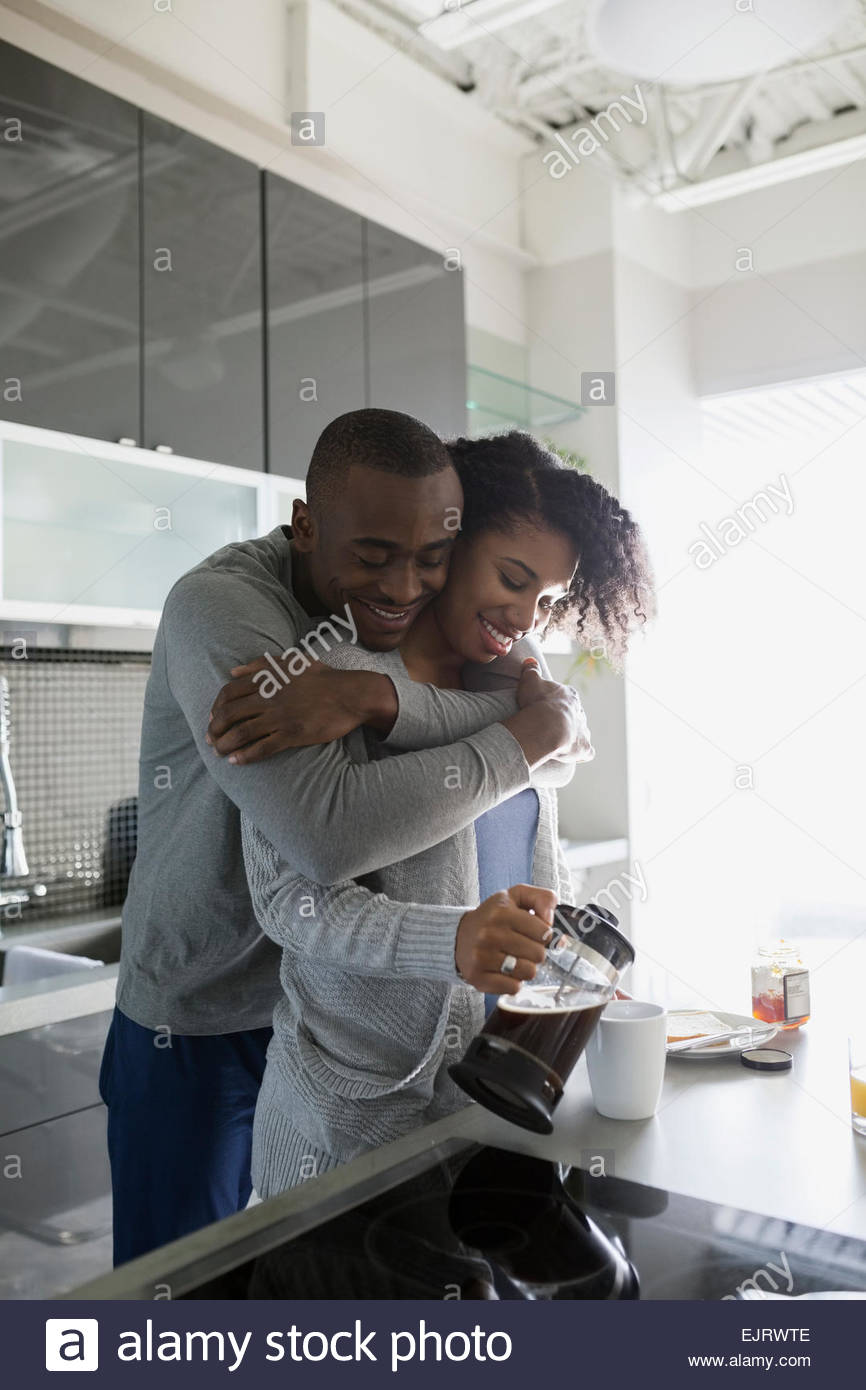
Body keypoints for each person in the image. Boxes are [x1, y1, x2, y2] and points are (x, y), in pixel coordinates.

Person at [100, 409, 588, 1266]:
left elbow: (561, 727)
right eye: (373, 557)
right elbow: (324, 835)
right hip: (201, 1004)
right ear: (306, 526)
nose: (403, 588)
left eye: (429, 559)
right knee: (178, 1287)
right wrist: (524, 730)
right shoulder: (231, 612)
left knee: (277, 1299)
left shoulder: (395, 642)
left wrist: (394, 703)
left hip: (315, 1011)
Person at [210, 431, 654, 1194]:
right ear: (449, 539)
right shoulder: (324, 682)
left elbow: (513, 840)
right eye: (512, 579)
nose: (525, 616)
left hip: (493, 1097)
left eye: (547, 600)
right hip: (347, 1118)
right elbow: (289, 903)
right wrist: (447, 941)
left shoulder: (521, 689)